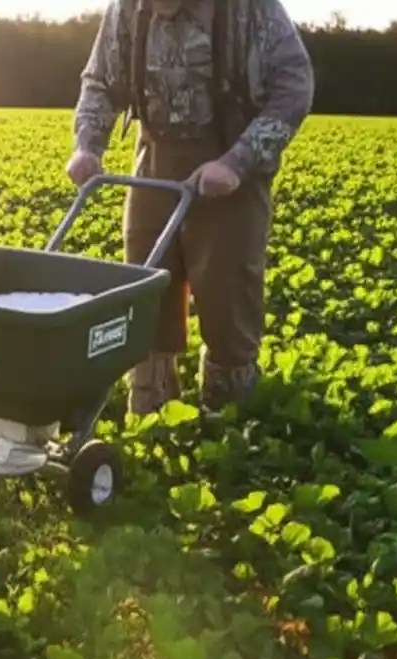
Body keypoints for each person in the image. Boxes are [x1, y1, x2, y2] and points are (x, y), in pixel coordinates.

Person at [66, 0, 314, 415]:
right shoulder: (129, 9)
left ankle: (230, 421)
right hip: (154, 158)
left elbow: (294, 86)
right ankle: (154, 413)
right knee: (145, 287)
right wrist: (88, 147)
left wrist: (238, 162)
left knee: (227, 294)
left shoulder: (250, 10)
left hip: (229, 159)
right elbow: (101, 81)